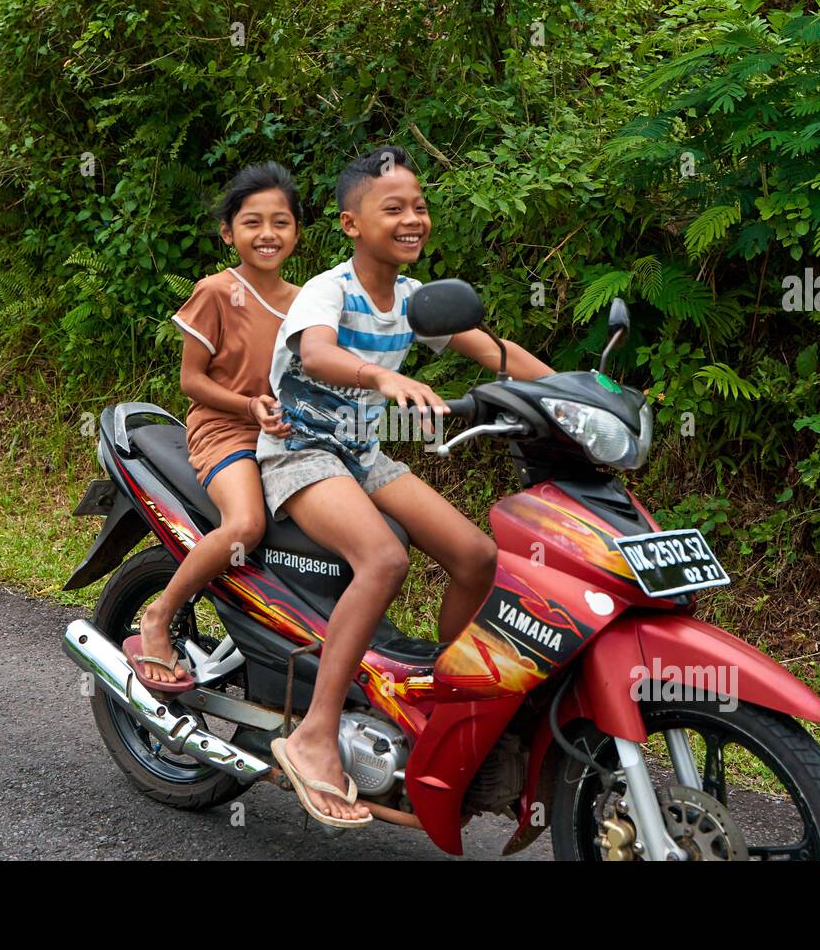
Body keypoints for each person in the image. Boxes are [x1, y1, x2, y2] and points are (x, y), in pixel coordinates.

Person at [259, 146, 553, 826]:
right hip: (299, 453)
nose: (413, 218)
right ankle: (313, 733)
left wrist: (583, 392)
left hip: (361, 455)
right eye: (393, 208)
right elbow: (317, 353)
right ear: (350, 224)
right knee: (384, 558)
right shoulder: (328, 289)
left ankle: (445, 704)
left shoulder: (419, 301)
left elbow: (496, 353)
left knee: (478, 558)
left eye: (418, 205)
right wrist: (381, 376)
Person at [126, 162, 299, 691]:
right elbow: (191, 381)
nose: (267, 234)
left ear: (296, 230)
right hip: (226, 433)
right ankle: (159, 616)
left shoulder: (307, 301)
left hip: (289, 436)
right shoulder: (216, 292)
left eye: (281, 222)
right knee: (246, 526)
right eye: (252, 223)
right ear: (229, 233)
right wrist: (250, 407)